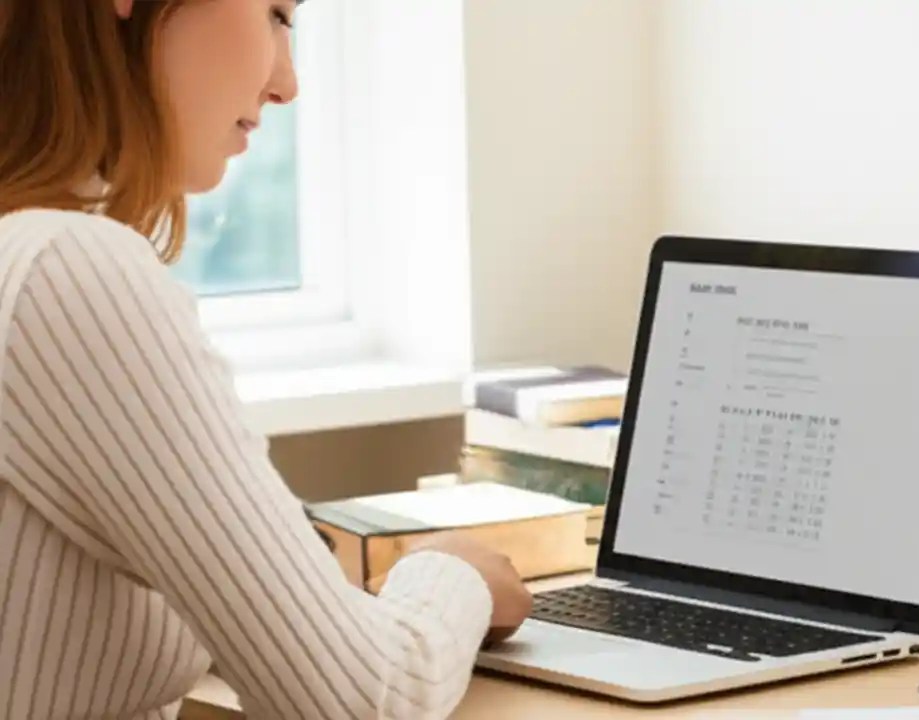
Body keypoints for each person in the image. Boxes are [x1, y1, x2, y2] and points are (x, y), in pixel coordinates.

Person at [0, 1, 532, 718]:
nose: (287, 83)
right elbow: (361, 701)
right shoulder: (68, 272)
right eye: (277, 14)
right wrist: (452, 574)